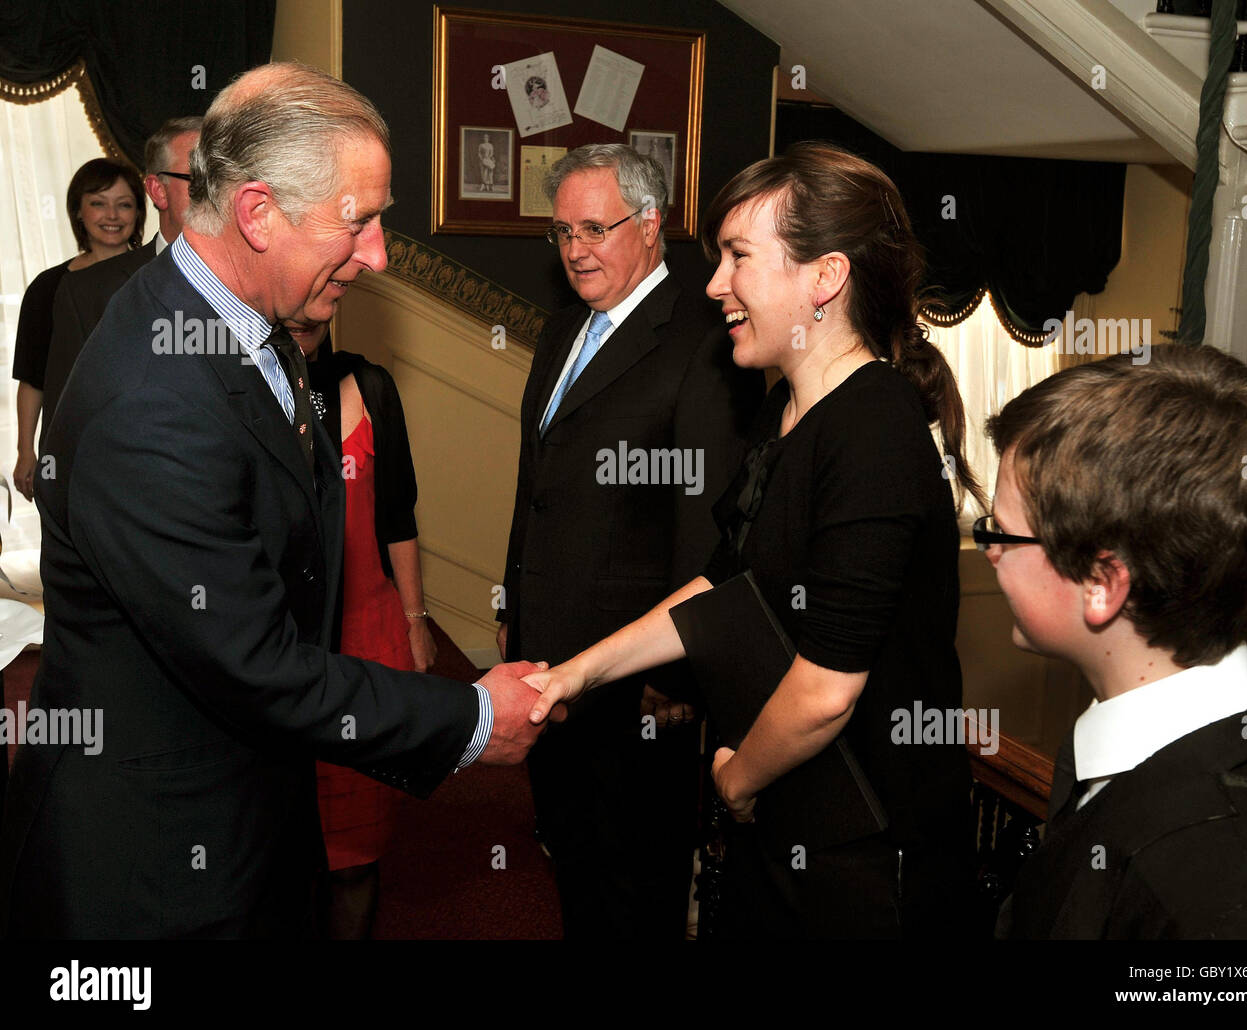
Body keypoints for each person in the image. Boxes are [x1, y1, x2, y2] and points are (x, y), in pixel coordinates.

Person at [0, 62, 556, 940]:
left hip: (246, 808)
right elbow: (252, 663)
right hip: (154, 861)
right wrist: (473, 715)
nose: (377, 254)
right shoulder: (153, 400)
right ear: (257, 213)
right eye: (359, 221)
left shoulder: (245, 323)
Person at [526, 141, 983, 939]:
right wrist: (577, 673)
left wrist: (739, 778)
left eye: (738, 257)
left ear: (825, 278)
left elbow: (826, 690)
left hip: (868, 853)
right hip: (797, 825)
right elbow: (717, 588)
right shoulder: (788, 415)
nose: (715, 286)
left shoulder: (873, 429)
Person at [497, 143, 764, 938]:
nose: (576, 249)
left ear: (650, 224)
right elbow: (534, 489)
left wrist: (679, 670)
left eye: (594, 228)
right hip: (551, 665)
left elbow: (707, 522)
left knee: (635, 892)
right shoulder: (557, 334)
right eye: (562, 233)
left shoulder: (703, 340)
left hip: (640, 683)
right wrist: (515, 602)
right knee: (574, 870)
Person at [980, 344, 1247, 939]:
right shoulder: (1135, 749)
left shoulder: (1227, 904)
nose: (992, 550)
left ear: (1103, 584)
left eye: (1001, 531)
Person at [287, 318, 435, 938]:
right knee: (286, 857)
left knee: (355, 857)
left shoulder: (371, 385)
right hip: (283, 655)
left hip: (369, 644)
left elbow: (397, 514)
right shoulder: (244, 382)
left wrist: (416, 620)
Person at [40, 118, 203, 442]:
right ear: (158, 190)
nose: (216, 192)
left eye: (226, 177)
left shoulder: (266, 284)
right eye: (199, 178)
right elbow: (64, 425)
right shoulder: (86, 292)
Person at [11, 157, 144, 499]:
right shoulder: (49, 286)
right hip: (72, 451)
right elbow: (32, 377)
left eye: (124, 205)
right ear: (78, 213)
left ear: (139, 213)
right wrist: (26, 450)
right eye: (98, 204)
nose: (112, 216)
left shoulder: (159, 276)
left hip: (147, 448)